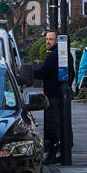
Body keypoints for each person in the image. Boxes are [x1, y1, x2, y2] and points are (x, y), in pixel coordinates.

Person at [30, 30, 64, 163]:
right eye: (46, 39)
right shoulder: (62, 54)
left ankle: (53, 152)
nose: (47, 42)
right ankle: (62, 150)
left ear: (57, 41)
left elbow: (43, 73)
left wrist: (28, 72)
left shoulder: (53, 56)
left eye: (50, 39)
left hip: (53, 94)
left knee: (52, 124)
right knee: (59, 123)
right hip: (59, 93)